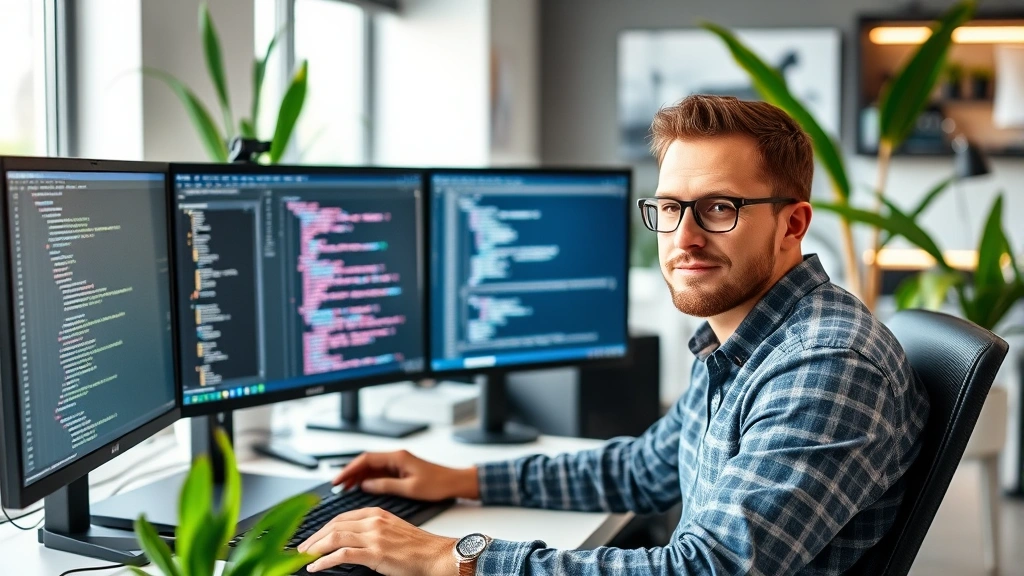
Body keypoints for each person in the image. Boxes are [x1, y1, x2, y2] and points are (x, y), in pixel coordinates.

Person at [297, 94, 930, 575]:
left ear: (793, 224)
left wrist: (454, 557)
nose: (683, 238)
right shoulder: (743, 340)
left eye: (718, 208)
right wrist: (460, 481)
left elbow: (702, 569)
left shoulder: (826, 363)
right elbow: (642, 468)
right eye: (671, 207)